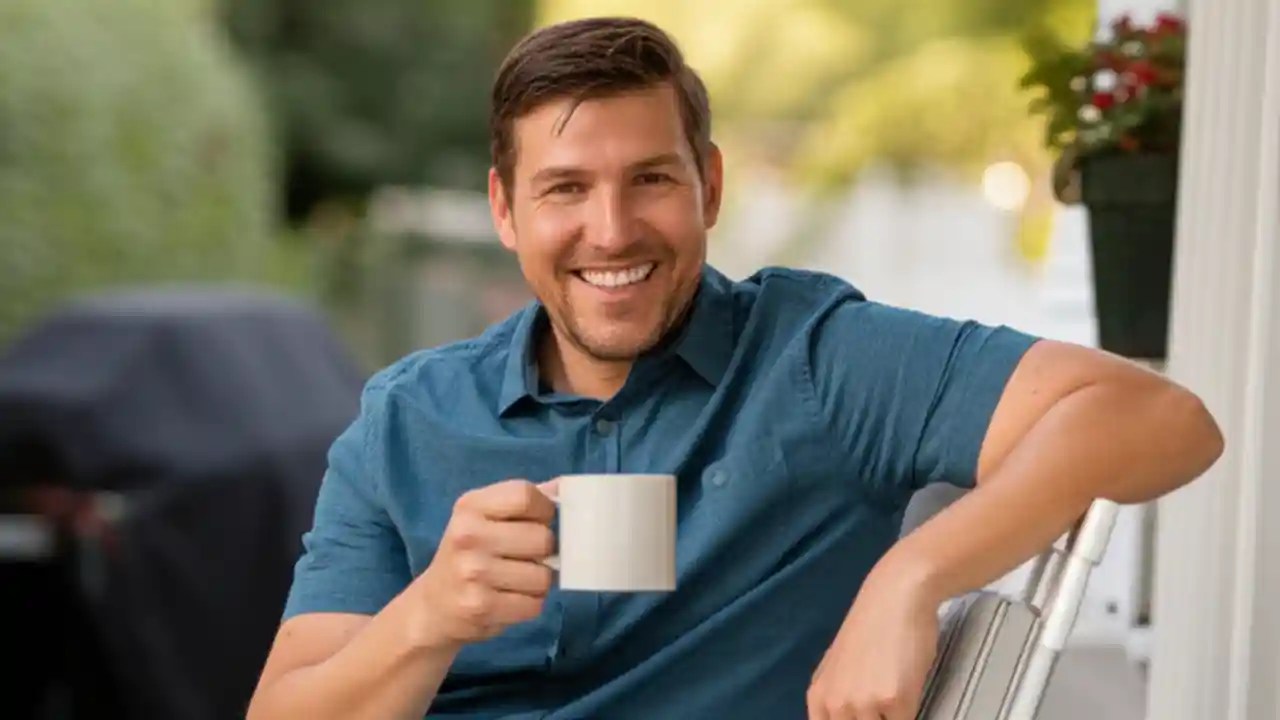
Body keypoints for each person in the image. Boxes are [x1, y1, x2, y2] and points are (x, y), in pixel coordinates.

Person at [246, 16, 1223, 720]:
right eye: (564, 190)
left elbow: (1157, 420)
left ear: (707, 184)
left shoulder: (814, 359)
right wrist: (429, 618)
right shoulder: (408, 418)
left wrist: (910, 577)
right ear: (505, 212)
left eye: (651, 180)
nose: (611, 230)